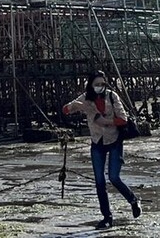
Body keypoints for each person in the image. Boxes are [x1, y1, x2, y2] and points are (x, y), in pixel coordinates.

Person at [63, 71, 141, 227]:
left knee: (114, 177)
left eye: (102, 84)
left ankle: (133, 200)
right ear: (91, 85)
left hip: (114, 141)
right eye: (97, 84)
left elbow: (123, 119)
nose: (100, 87)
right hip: (97, 142)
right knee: (99, 181)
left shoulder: (112, 96)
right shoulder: (85, 97)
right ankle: (107, 217)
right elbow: (65, 110)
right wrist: (74, 106)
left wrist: (106, 122)